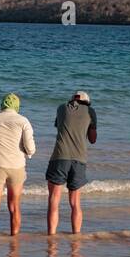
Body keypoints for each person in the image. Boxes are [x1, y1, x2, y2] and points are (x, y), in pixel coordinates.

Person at [45, 90, 97, 235]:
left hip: (60, 157)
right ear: (86, 102)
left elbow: (59, 126)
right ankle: (76, 236)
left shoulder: (61, 108)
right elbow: (93, 139)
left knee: (54, 200)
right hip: (79, 159)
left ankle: (52, 236)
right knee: (75, 203)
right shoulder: (90, 111)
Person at [0, 92, 35, 239]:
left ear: (2, 105)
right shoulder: (23, 121)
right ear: (17, 106)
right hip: (17, 166)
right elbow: (30, 148)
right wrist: (28, 153)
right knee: (14, 207)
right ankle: (14, 238)